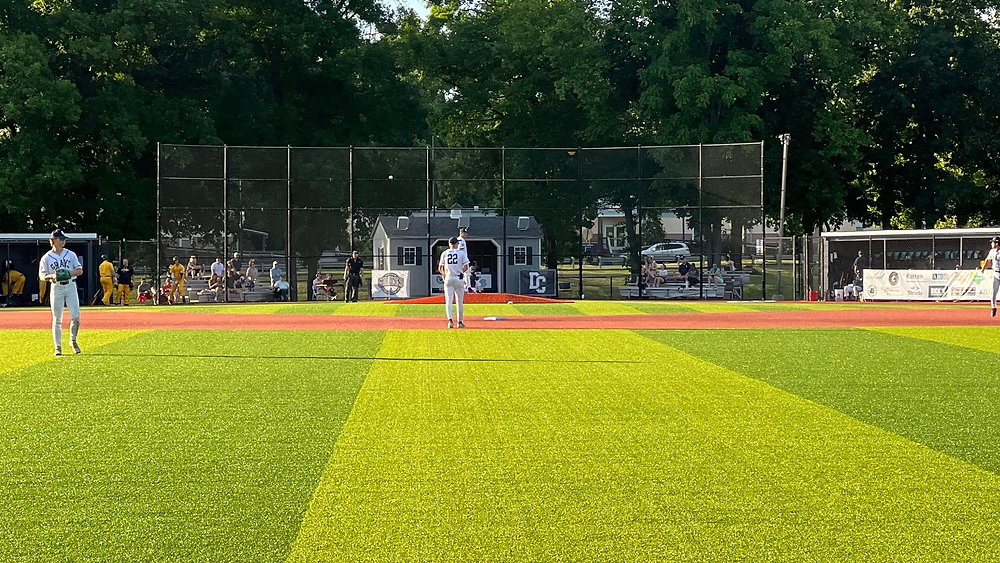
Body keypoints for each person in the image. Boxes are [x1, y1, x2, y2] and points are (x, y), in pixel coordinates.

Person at [38, 229, 83, 355]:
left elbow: (79, 270)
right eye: (61, 239)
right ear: (53, 240)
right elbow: (42, 276)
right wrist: (54, 276)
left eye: (64, 239)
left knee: (76, 316)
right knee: (57, 318)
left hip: (70, 286)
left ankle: (73, 340)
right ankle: (58, 347)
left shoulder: (70, 254)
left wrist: (68, 273)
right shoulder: (46, 257)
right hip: (56, 287)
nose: (63, 241)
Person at [439, 236, 469, 328]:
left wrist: (444, 275)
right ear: (457, 244)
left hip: (449, 278)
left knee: (448, 300)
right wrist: (461, 272)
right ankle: (459, 322)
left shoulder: (445, 253)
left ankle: (450, 321)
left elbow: (441, 268)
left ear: (449, 244)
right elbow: (466, 266)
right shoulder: (461, 253)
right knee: (459, 301)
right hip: (458, 278)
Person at [982, 236, 1000, 317]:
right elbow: (988, 260)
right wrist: (983, 268)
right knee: (993, 292)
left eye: (993, 242)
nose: (991, 244)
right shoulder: (992, 251)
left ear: (997, 243)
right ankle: (993, 308)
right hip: (995, 273)